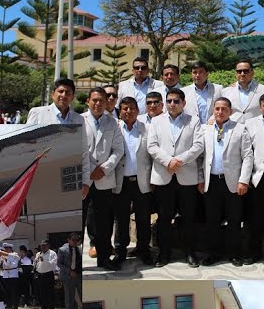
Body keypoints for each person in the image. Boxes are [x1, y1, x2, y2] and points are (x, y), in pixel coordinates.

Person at [146, 88, 205, 267]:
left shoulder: (193, 121)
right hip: (164, 176)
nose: (172, 104)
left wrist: (179, 161)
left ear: (183, 103)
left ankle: (190, 253)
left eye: (176, 101)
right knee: (164, 218)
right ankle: (164, 254)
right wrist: (168, 162)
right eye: (169, 101)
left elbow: (198, 145)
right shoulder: (156, 121)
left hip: (186, 177)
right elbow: (152, 146)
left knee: (188, 218)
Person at [198, 97, 252, 266]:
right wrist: (201, 179)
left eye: (224, 109)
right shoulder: (204, 130)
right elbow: (200, 158)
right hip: (211, 182)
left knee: (234, 221)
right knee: (212, 221)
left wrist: (243, 181)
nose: (220, 112)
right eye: (217, 109)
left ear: (231, 111)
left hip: (233, 183)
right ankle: (213, 254)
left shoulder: (240, 129)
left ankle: (234, 254)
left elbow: (248, 157)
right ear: (213, 110)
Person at [81, 87, 126, 270]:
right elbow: (78, 150)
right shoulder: (79, 121)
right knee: (80, 221)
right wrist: (92, 170)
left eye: (102, 100)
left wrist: (104, 168)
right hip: (84, 179)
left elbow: (118, 150)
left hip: (104, 179)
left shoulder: (113, 123)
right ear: (88, 102)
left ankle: (104, 258)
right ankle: (75, 262)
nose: (98, 103)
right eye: (95, 100)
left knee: (104, 222)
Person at [114, 96, 153, 266]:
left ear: (138, 111)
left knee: (143, 219)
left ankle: (144, 250)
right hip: (120, 182)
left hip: (142, 181)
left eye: (132, 108)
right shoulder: (114, 129)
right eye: (124, 109)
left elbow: (152, 156)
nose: (128, 112)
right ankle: (120, 251)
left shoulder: (148, 129)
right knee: (121, 219)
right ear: (120, 112)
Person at [223, 59, 264, 124]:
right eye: (239, 71)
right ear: (236, 74)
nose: (242, 74)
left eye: (246, 71)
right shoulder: (226, 92)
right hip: (234, 129)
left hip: (256, 129)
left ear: (252, 73)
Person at [57, 232, 82, 309]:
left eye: (77, 240)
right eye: (73, 240)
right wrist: (69, 271)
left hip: (78, 275)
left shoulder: (80, 249)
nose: (75, 242)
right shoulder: (62, 250)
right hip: (68, 276)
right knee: (69, 296)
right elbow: (59, 263)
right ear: (68, 240)